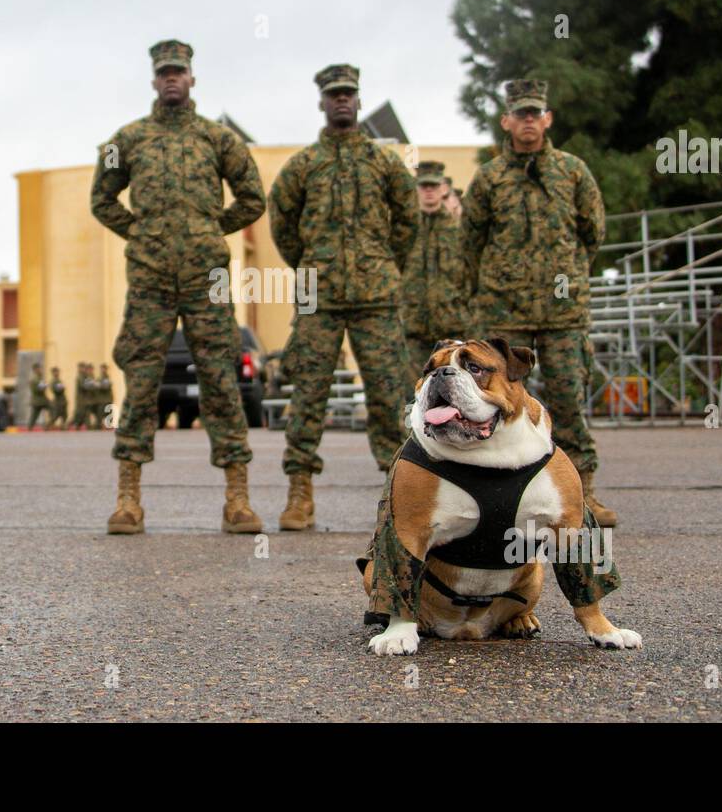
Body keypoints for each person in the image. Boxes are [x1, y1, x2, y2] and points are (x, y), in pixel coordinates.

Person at [91, 39, 266, 535]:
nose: (172, 78)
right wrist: (141, 233)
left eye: (180, 71)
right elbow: (101, 198)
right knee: (141, 381)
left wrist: (212, 230)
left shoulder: (219, 140)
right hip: (148, 275)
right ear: (153, 79)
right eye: (164, 72)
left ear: (192, 78)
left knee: (220, 380)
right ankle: (128, 500)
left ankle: (237, 499)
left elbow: (253, 198)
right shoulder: (124, 140)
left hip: (206, 277)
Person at [268, 63, 417, 530]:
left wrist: (382, 263)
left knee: (388, 393)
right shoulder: (302, 166)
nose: (341, 101)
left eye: (348, 93)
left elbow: (408, 222)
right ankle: (299, 492)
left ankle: (402, 494)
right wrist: (310, 264)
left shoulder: (385, 162)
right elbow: (282, 227)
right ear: (322, 101)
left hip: (376, 294)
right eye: (333, 94)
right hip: (318, 294)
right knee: (309, 392)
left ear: (358, 98)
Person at [461, 78, 616, 526]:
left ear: (547, 119)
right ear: (507, 121)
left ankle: (581, 495)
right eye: (520, 114)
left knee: (569, 398)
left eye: (536, 114)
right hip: (504, 311)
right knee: (497, 403)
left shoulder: (572, 171)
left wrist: (566, 273)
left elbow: (593, 232)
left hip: (562, 310)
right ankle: (497, 498)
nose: (528, 122)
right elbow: (470, 241)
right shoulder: (489, 177)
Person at [399, 161, 474, 374]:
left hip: (454, 327)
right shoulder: (404, 232)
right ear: (416, 190)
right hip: (413, 328)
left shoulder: (460, 232)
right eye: (424, 187)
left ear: (443, 189)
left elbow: (472, 277)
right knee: (413, 394)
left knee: (457, 390)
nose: (429, 191)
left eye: (434, 186)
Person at [26, 363, 50, 430]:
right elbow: (36, 390)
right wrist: (43, 386)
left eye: (40, 368)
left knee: (53, 409)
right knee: (34, 416)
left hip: (42, 400)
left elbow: (42, 386)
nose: (40, 370)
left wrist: (44, 385)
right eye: (38, 368)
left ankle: (47, 425)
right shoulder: (34, 379)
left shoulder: (40, 377)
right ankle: (29, 428)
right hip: (37, 400)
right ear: (35, 370)